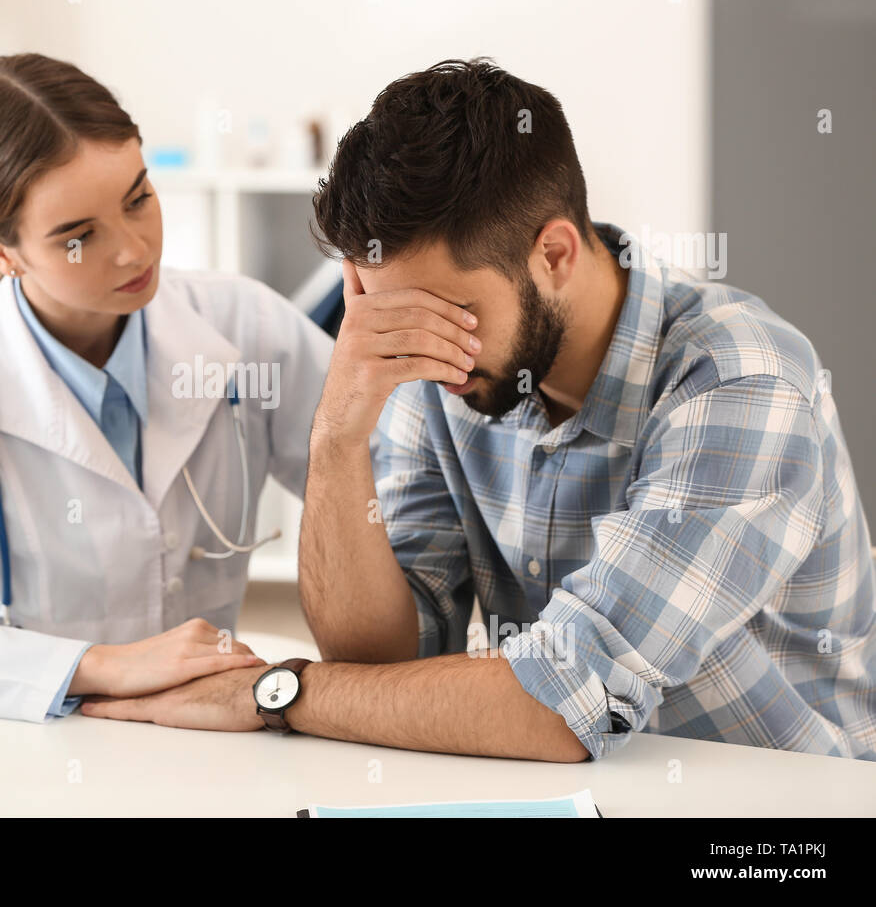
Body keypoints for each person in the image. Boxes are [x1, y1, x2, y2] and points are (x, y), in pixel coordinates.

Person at [83, 58, 876, 763]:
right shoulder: (442, 371)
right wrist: (339, 431)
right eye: (389, 317)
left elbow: (568, 705)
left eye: (446, 312)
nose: (423, 350)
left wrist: (275, 694)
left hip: (776, 819)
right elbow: (382, 662)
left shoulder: (739, 380)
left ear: (555, 255)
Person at [0, 53, 333, 723]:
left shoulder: (246, 328)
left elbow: (397, 496)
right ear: (1, 253)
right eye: (79, 238)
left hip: (207, 742)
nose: (134, 250)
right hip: (25, 755)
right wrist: (99, 665)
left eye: (139, 198)